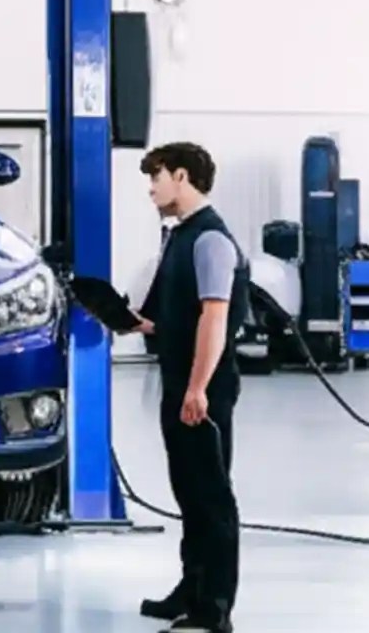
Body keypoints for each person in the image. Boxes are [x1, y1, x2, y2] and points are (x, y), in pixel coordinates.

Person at [128, 142, 249, 633]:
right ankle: (191, 587)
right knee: (188, 492)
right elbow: (180, 315)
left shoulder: (211, 240)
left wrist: (198, 389)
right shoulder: (179, 237)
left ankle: (215, 606)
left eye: (155, 177)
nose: (151, 188)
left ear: (182, 176)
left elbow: (215, 319)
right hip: (180, 381)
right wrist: (133, 322)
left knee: (211, 496)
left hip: (204, 385)